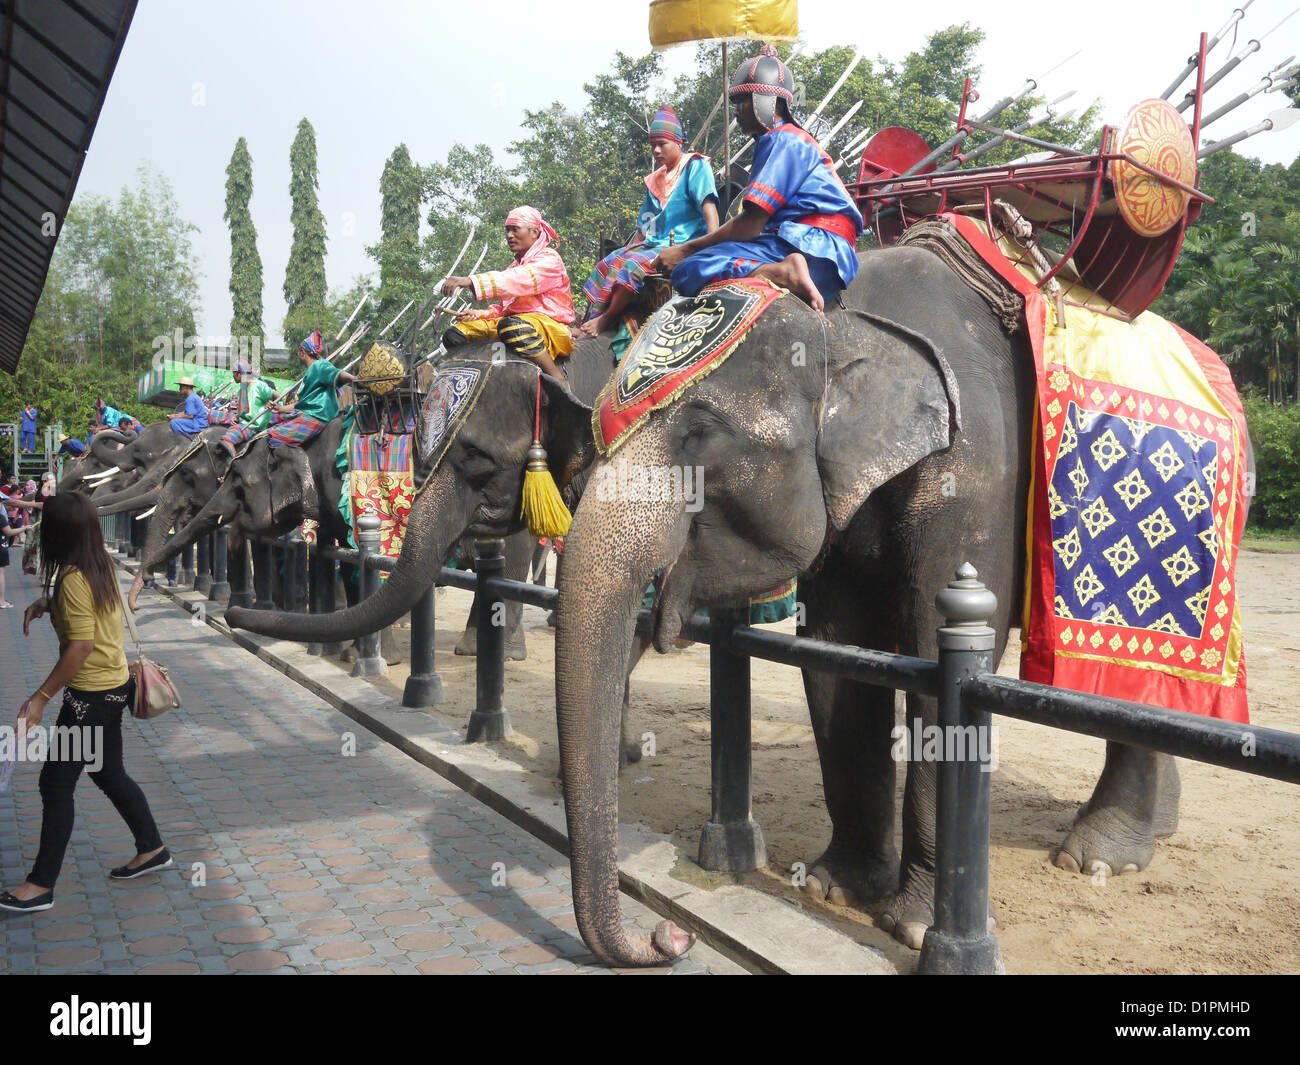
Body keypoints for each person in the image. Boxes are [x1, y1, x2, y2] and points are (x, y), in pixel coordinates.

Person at [0, 492, 171, 913]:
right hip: (113, 689)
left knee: (55, 784)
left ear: (59, 533)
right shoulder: (99, 564)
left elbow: (80, 646)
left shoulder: (74, 577)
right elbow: (91, 616)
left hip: (89, 701)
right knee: (108, 773)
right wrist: (47, 604)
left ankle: (40, 885)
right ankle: (151, 848)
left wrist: (39, 698)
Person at [654, 45, 864, 313]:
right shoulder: (796, 140)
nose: (737, 112)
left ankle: (783, 273)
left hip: (810, 246)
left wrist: (684, 250)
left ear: (764, 101)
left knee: (690, 268)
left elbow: (751, 225)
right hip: (831, 259)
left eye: (742, 102)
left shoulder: (781, 139)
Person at [580, 106, 720, 337]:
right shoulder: (656, 179)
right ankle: (591, 317)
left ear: (678, 143)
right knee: (609, 262)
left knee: (631, 266)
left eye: (662, 144)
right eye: (652, 145)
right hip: (656, 243)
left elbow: (709, 205)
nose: (656, 150)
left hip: (685, 243)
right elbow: (646, 223)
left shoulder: (696, 166)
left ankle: (607, 318)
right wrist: (629, 248)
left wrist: (711, 243)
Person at [439, 206, 575, 385]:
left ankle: (557, 378)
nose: (509, 235)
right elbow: (505, 309)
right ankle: (488, 375)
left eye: (515, 229)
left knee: (513, 327)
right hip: (512, 322)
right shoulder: (514, 266)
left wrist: (470, 281)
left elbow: (517, 279)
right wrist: (479, 314)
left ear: (534, 232)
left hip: (547, 326)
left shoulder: (550, 259)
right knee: (455, 334)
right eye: (507, 230)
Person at [222, 331, 356, 454]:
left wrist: (354, 379)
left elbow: (337, 374)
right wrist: (280, 408)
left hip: (317, 416)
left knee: (272, 437)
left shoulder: (319, 365)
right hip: (308, 413)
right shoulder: (312, 371)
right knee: (271, 424)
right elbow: (302, 404)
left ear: (302, 352)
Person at [217, 359, 279, 457]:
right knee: (217, 417)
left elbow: (278, 396)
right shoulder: (241, 390)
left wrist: (273, 403)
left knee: (229, 438)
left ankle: (233, 458)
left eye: (234, 373)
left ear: (239, 374)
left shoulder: (258, 385)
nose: (233, 376)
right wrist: (236, 417)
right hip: (243, 422)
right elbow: (244, 411)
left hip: (253, 426)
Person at [0, 498, 18, 608]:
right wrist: (24, 528)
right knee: (0, 573)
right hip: (1, 549)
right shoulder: (1, 518)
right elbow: (9, 532)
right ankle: (1, 601)